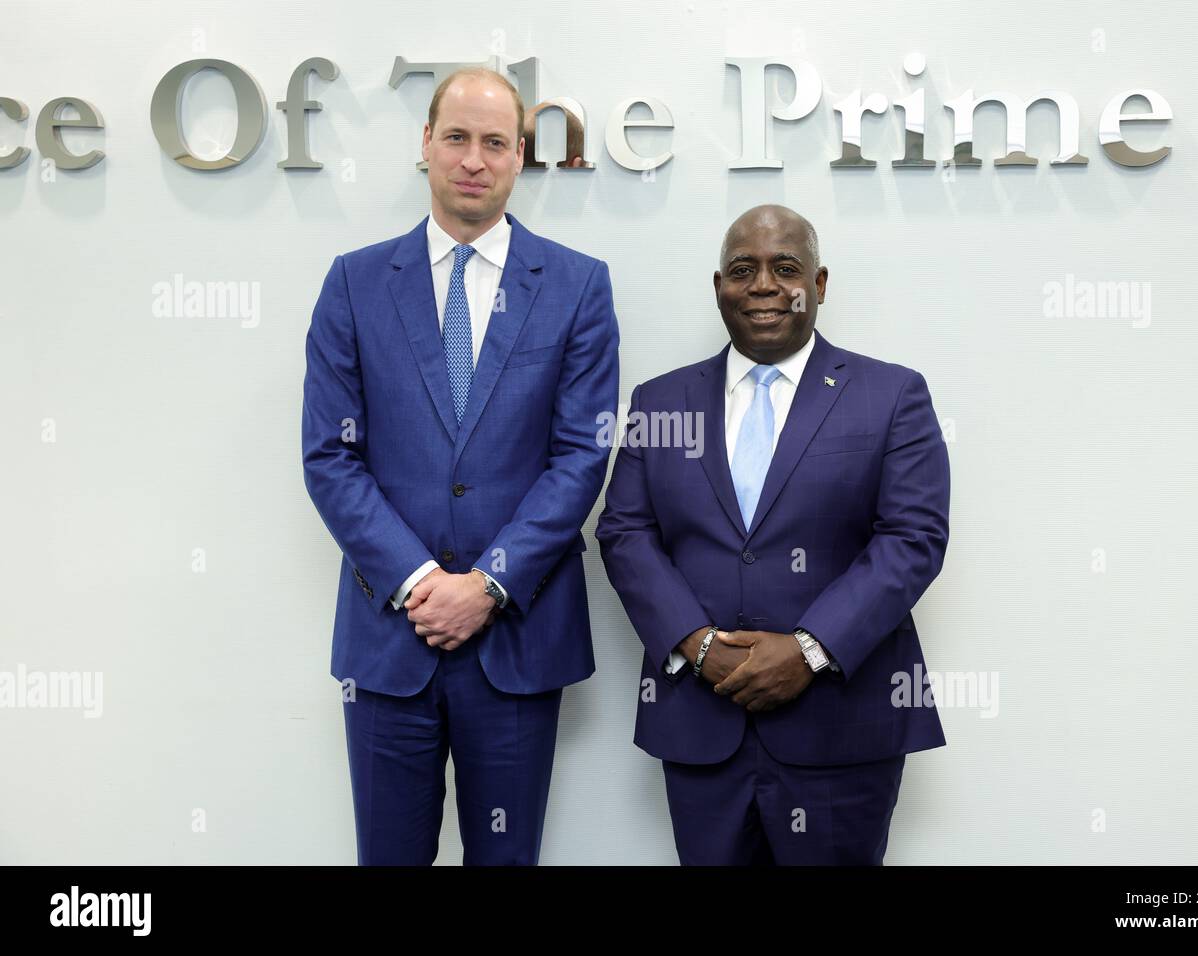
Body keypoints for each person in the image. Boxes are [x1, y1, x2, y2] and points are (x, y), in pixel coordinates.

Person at [302, 66, 619, 865]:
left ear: (519, 157)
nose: (473, 159)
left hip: (516, 638)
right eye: (456, 138)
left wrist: (486, 586)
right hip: (389, 638)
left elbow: (581, 455)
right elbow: (329, 457)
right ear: (425, 146)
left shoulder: (579, 287)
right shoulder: (355, 282)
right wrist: (421, 584)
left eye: (494, 142)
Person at [595, 204, 948, 865]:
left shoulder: (891, 395)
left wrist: (809, 650)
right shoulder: (659, 402)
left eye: (785, 267)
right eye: (742, 269)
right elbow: (624, 531)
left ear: (818, 284)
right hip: (702, 724)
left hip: (841, 728)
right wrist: (697, 646)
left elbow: (912, 538)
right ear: (718, 286)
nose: (762, 284)